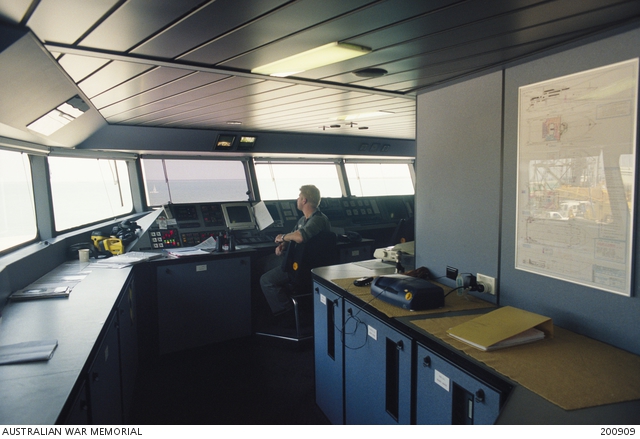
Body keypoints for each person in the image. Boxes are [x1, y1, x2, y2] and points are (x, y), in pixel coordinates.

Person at [260, 185, 331, 319]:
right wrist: (284, 244)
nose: (297, 199)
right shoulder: (302, 220)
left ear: (304, 200)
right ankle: (266, 310)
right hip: (295, 258)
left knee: (266, 280)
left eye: (299, 197)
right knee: (262, 263)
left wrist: (282, 237)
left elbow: (300, 236)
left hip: (303, 266)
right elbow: (293, 236)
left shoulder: (318, 220)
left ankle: (287, 315)